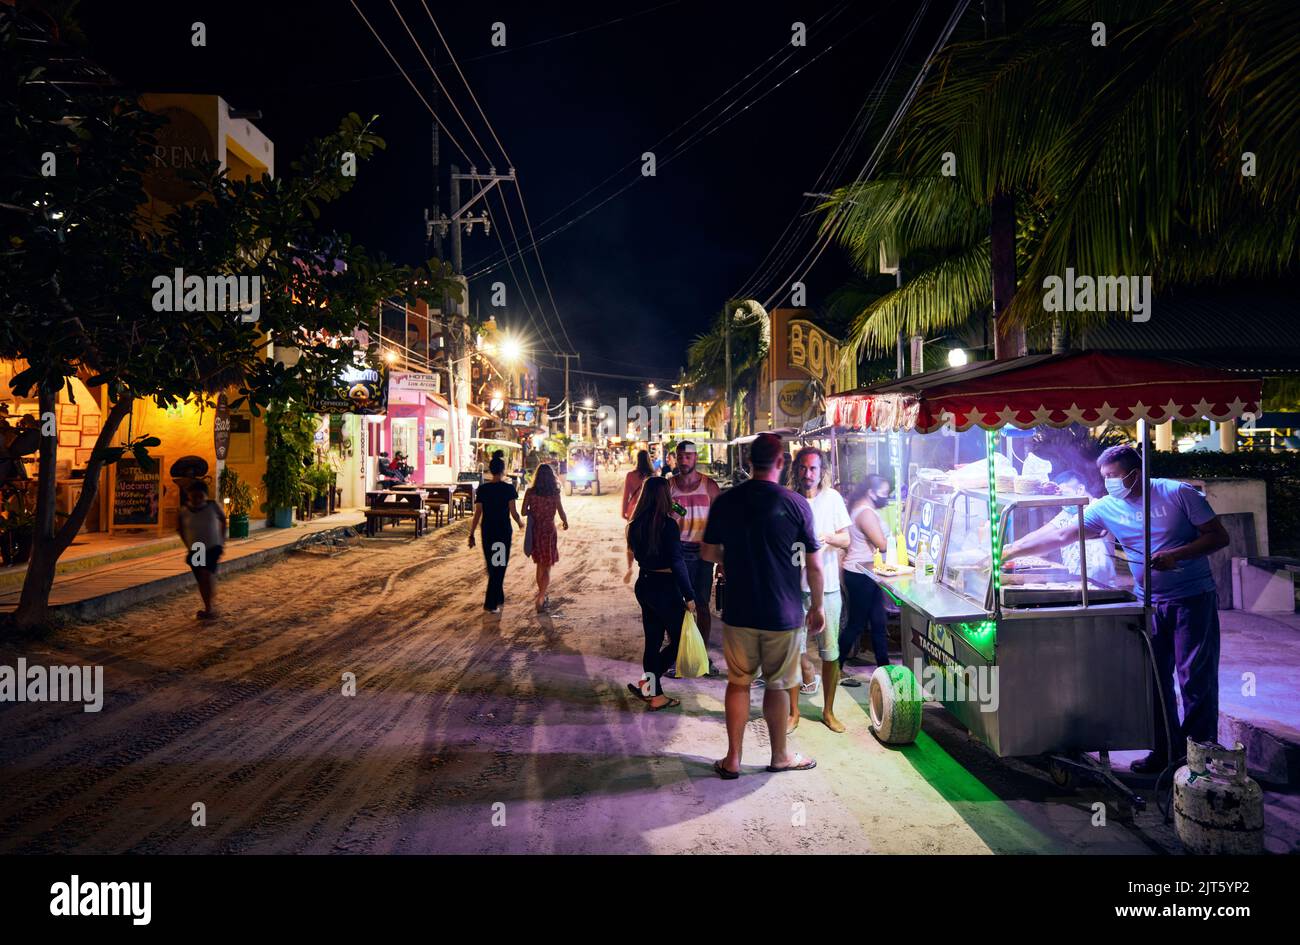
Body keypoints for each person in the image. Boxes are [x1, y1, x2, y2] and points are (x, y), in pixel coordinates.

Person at [1004, 444, 1230, 775]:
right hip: (1146, 603)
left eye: (1112, 476)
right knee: (1154, 678)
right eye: (1103, 477)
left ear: (1133, 473)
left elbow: (1218, 537)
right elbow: (1064, 533)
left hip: (1191, 600)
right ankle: (1165, 752)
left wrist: (1177, 555)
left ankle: (1199, 759)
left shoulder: (1177, 494)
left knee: (1195, 679)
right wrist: (1011, 549)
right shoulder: (1108, 507)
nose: (1107, 482)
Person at [702, 432, 822, 778]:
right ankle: (780, 756)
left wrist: (734, 558)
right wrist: (817, 607)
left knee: (738, 683)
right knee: (778, 685)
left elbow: (709, 553)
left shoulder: (726, 502)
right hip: (783, 614)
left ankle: (733, 759)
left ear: (747, 463)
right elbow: (813, 565)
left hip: (739, 611)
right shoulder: (797, 504)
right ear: (781, 463)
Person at [789, 446, 852, 733]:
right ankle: (793, 713)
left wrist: (824, 538)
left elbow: (846, 539)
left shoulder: (833, 499)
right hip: (793, 590)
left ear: (822, 471)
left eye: (813, 468)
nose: (807, 474)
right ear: (795, 470)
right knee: (793, 652)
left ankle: (828, 711)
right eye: (803, 468)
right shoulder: (788, 500)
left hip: (827, 590)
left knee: (830, 653)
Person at [624, 477, 697, 711]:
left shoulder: (635, 524)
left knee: (653, 641)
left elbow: (637, 553)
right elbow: (677, 562)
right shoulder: (668, 526)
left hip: (645, 583)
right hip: (666, 587)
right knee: (679, 640)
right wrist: (689, 595)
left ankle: (651, 689)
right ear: (665, 497)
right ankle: (653, 687)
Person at [668, 441, 722, 677]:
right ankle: (677, 656)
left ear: (695, 458)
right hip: (677, 552)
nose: (683, 460)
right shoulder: (669, 487)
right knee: (677, 606)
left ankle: (701, 656)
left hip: (703, 554)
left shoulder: (709, 486)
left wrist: (722, 560)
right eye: (680, 456)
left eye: (688, 456)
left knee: (701, 605)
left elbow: (721, 523)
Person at [839, 475, 892, 690]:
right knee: (857, 623)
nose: (886, 498)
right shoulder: (866, 513)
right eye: (884, 493)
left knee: (878, 621)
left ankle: (885, 669)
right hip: (860, 573)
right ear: (871, 492)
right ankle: (835, 665)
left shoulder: (860, 506)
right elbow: (882, 543)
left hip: (865, 573)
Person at [468, 456, 523, 613]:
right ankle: (490, 603)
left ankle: (498, 596)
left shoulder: (483, 489)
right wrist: (520, 523)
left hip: (487, 531)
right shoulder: (508, 489)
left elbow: (478, 513)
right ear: (503, 470)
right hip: (502, 532)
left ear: (490, 470)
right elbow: (513, 512)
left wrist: (471, 534)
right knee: (499, 566)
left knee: (493, 565)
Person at [522, 462, 569, 613]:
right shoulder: (554, 493)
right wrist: (565, 521)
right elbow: (561, 511)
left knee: (539, 565)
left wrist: (533, 511)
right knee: (547, 566)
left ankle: (542, 595)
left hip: (536, 530)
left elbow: (523, 512)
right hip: (549, 530)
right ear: (551, 477)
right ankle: (541, 597)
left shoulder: (530, 492)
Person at [178, 481, 226, 621]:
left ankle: (210, 608)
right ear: (188, 496)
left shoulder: (213, 506)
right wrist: (187, 544)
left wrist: (222, 539)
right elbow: (180, 527)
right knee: (201, 578)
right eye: (194, 496)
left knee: (205, 574)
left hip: (212, 547)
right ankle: (208, 606)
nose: (197, 499)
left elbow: (223, 520)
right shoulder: (184, 509)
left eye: (200, 496)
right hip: (196, 548)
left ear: (205, 496)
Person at [622, 450, 654, 520]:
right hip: (649, 511)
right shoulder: (653, 476)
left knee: (633, 530)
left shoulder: (630, 475)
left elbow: (626, 496)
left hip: (634, 510)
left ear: (638, 460)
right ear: (648, 460)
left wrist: (623, 511)